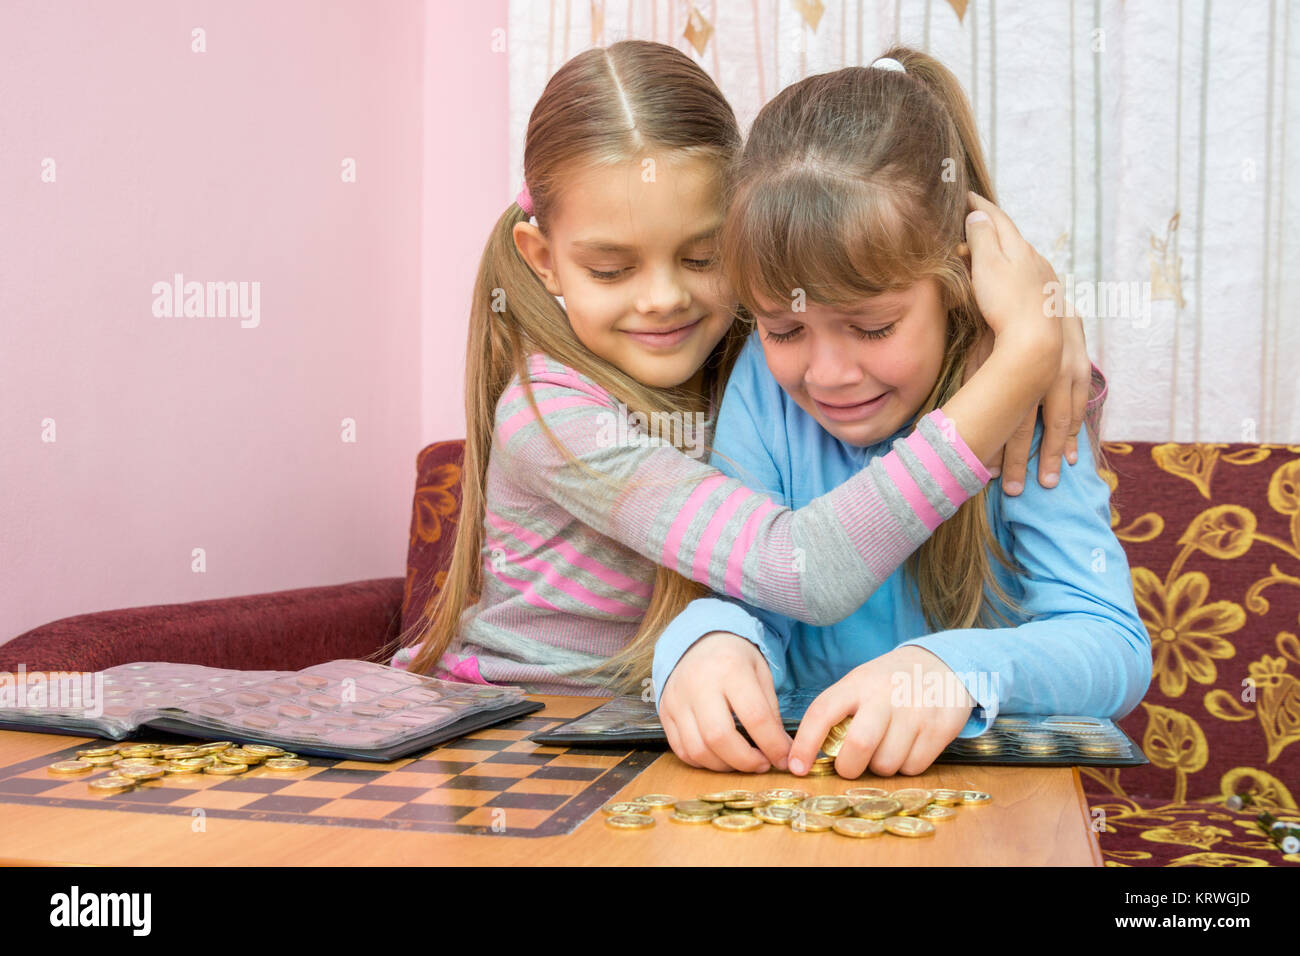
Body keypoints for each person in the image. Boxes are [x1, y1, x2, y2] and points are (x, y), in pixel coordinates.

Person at [389, 40, 1099, 698]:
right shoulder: (551, 416)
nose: (664, 299)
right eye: (610, 268)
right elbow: (802, 569)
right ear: (544, 261)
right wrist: (1024, 356)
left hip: (657, 738)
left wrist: (1029, 301)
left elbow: (887, 228)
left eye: (704, 259)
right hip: (524, 722)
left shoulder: (758, 342)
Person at [652, 48, 1149, 779]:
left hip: (994, 813)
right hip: (804, 800)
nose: (827, 373)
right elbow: (747, 589)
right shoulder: (759, 380)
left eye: (873, 327)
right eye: (785, 330)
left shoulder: (1024, 395)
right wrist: (709, 641)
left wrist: (952, 668)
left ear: (956, 283)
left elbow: (1113, 646)